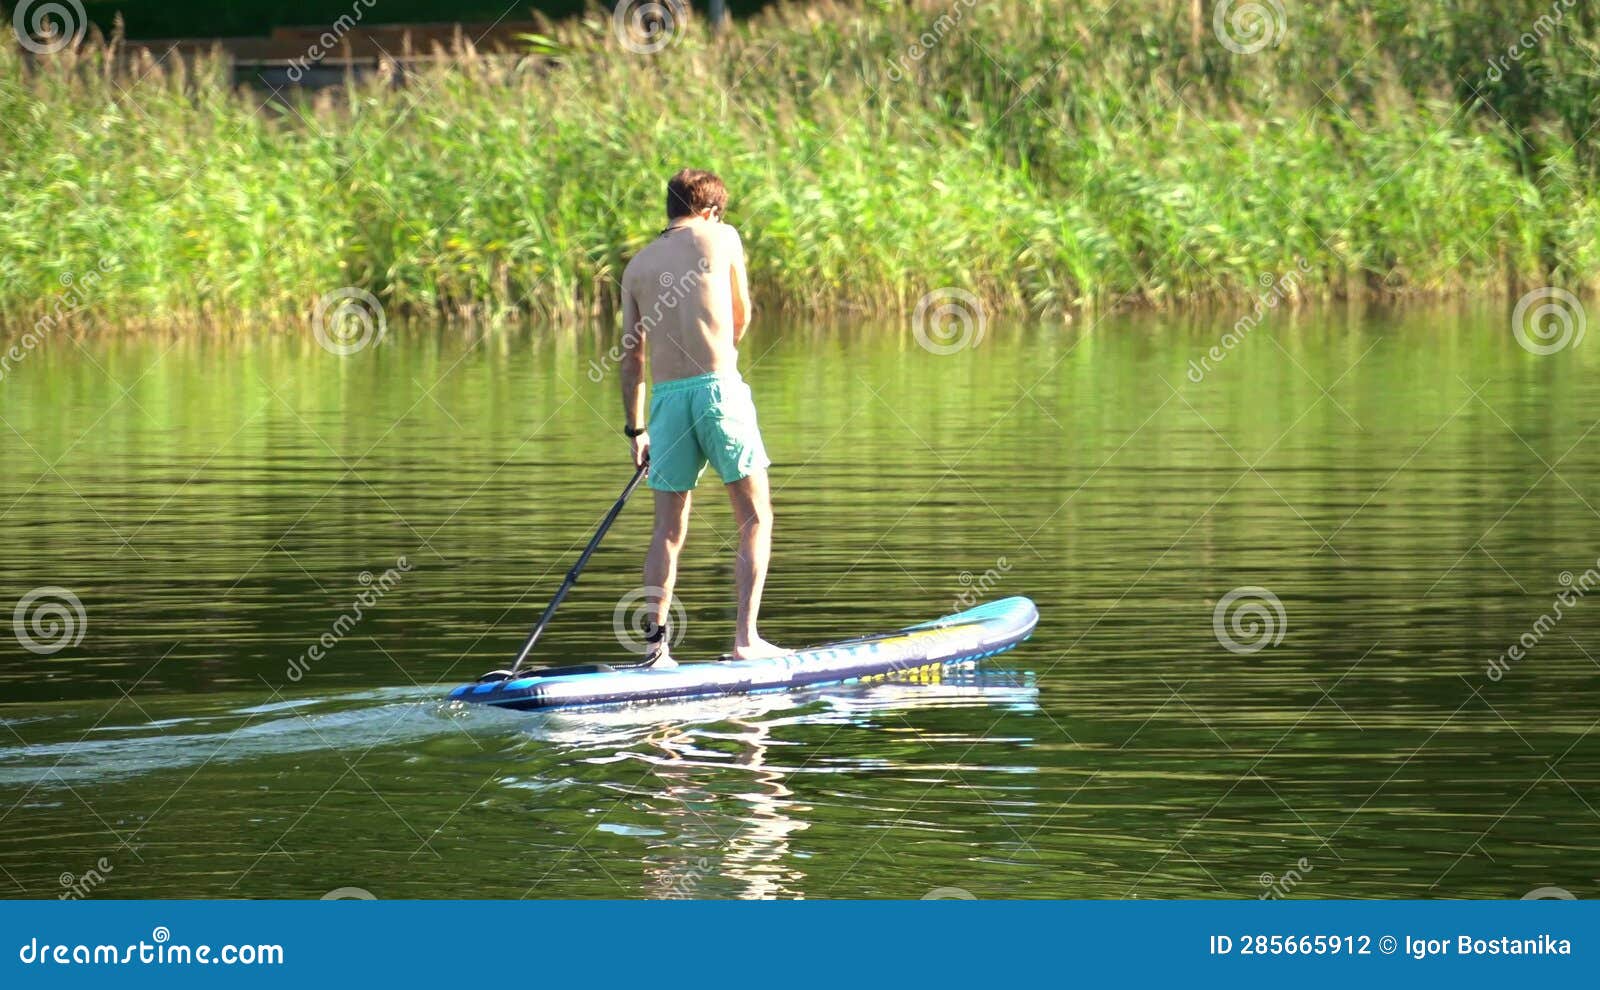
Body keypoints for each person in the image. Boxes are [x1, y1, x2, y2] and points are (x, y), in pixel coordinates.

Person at [618, 169, 785, 666]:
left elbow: (631, 358)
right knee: (755, 517)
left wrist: (636, 429)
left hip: (666, 404)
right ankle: (744, 640)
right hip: (718, 391)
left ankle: (655, 652)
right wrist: (720, 351)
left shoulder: (637, 267)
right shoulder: (723, 236)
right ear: (710, 210)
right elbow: (743, 314)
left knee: (667, 529)